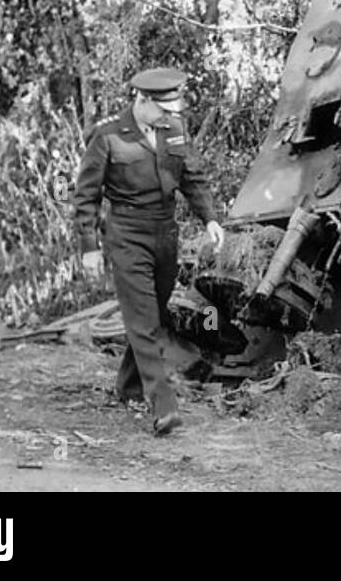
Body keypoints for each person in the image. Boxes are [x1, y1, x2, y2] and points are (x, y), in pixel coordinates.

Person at [72, 67, 225, 436]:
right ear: (141, 101)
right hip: (126, 234)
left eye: (172, 110)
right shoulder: (107, 137)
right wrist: (89, 248)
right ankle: (163, 405)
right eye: (162, 109)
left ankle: (128, 386)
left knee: (151, 313)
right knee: (144, 320)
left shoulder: (173, 131)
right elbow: (86, 197)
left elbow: (192, 178)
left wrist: (210, 219)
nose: (168, 116)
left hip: (165, 233)